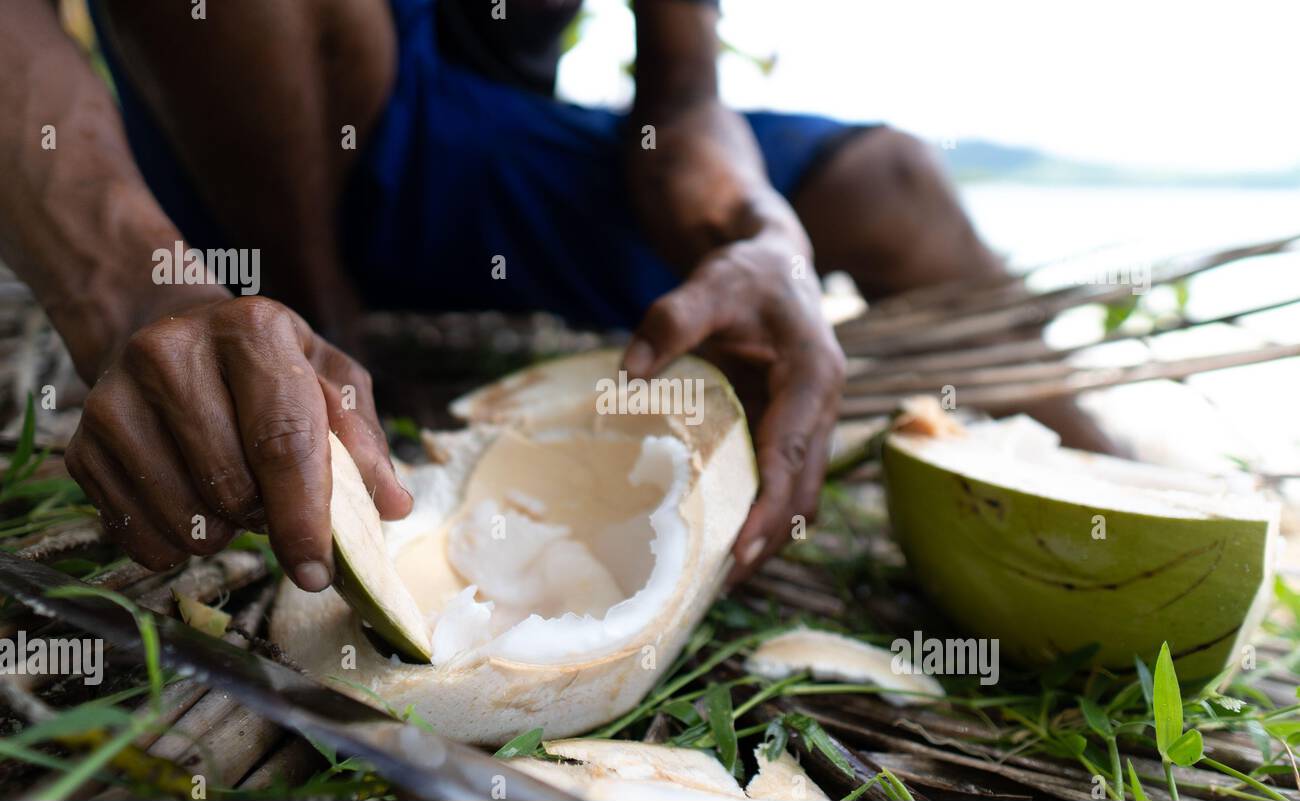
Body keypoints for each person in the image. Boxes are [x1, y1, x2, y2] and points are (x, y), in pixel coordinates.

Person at [0, 0, 1000, 593]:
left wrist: (763, 236)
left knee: (892, 184)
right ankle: (318, 335)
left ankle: (1105, 486)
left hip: (465, 153)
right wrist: (130, 283)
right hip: (218, 163)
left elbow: (684, 104)